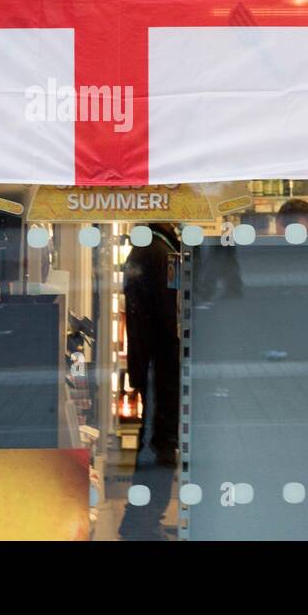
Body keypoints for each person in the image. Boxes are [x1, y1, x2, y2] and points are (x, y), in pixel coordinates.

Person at [118, 222, 180, 540]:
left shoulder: (148, 249)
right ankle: (141, 523)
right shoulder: (158, 252)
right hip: (162, 366)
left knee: (157, 442)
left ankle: (142, 520)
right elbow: (170, 318)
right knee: (158, 445)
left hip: (155, 365)